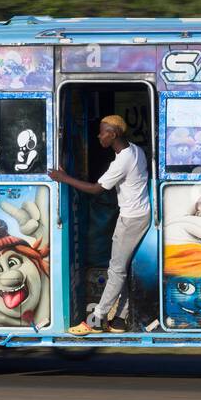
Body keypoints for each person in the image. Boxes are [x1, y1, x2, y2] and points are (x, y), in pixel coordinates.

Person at [48, 114, 150, 334]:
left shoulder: (122, 160)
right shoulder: (135, 150)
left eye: (102, 131)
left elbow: (96, 189)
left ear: (113, 134)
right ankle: (120, 321)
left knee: (116, 271)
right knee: (123, 268)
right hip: (138, 215)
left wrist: (62, 178)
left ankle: (96, 319)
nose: (98, 135)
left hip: (130, 219)